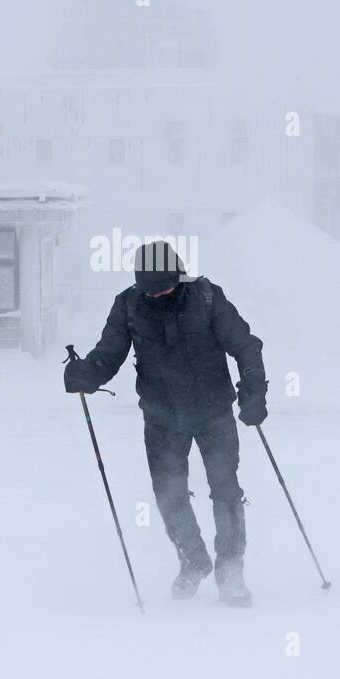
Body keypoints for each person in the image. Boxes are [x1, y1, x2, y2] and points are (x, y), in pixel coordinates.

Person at [64, 241, 267, 607]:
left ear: (179, 276)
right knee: (168, 492)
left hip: (213, 412)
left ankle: (230, 569)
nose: (158, 295)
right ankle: (193, 559)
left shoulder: (206, 297)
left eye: (165, 287)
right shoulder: (128, 305)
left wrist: (254, 393)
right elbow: (108, 355)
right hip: (162, 416)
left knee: (225, 489)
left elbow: (246, 347)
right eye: (151, 290)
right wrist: (86, 374)